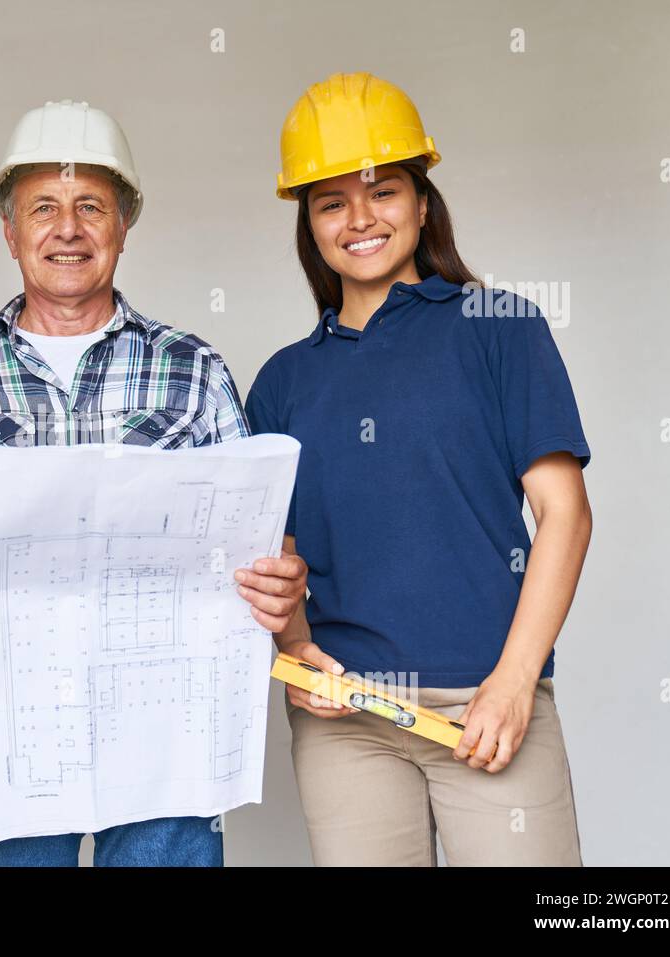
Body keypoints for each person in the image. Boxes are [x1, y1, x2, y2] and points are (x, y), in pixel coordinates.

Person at [0, 100, 308, 867]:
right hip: (6, 747)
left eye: (91, 207)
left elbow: (251, 543)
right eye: (43, 208)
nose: (68, 229)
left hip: (167, 745)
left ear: (123, 225)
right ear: (10, 232)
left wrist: (280, 580)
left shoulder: (196, 371)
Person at [247, 73, 592, 866]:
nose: (359, 218)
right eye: (331, 201)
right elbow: (274, 552)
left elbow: (566, 516)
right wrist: (296, 646)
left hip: (489, 701)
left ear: (423, 202)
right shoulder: (282, 383)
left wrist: (513, 682)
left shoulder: (499, 331)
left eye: (383, 191)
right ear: (309, 223)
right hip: (348, 725)